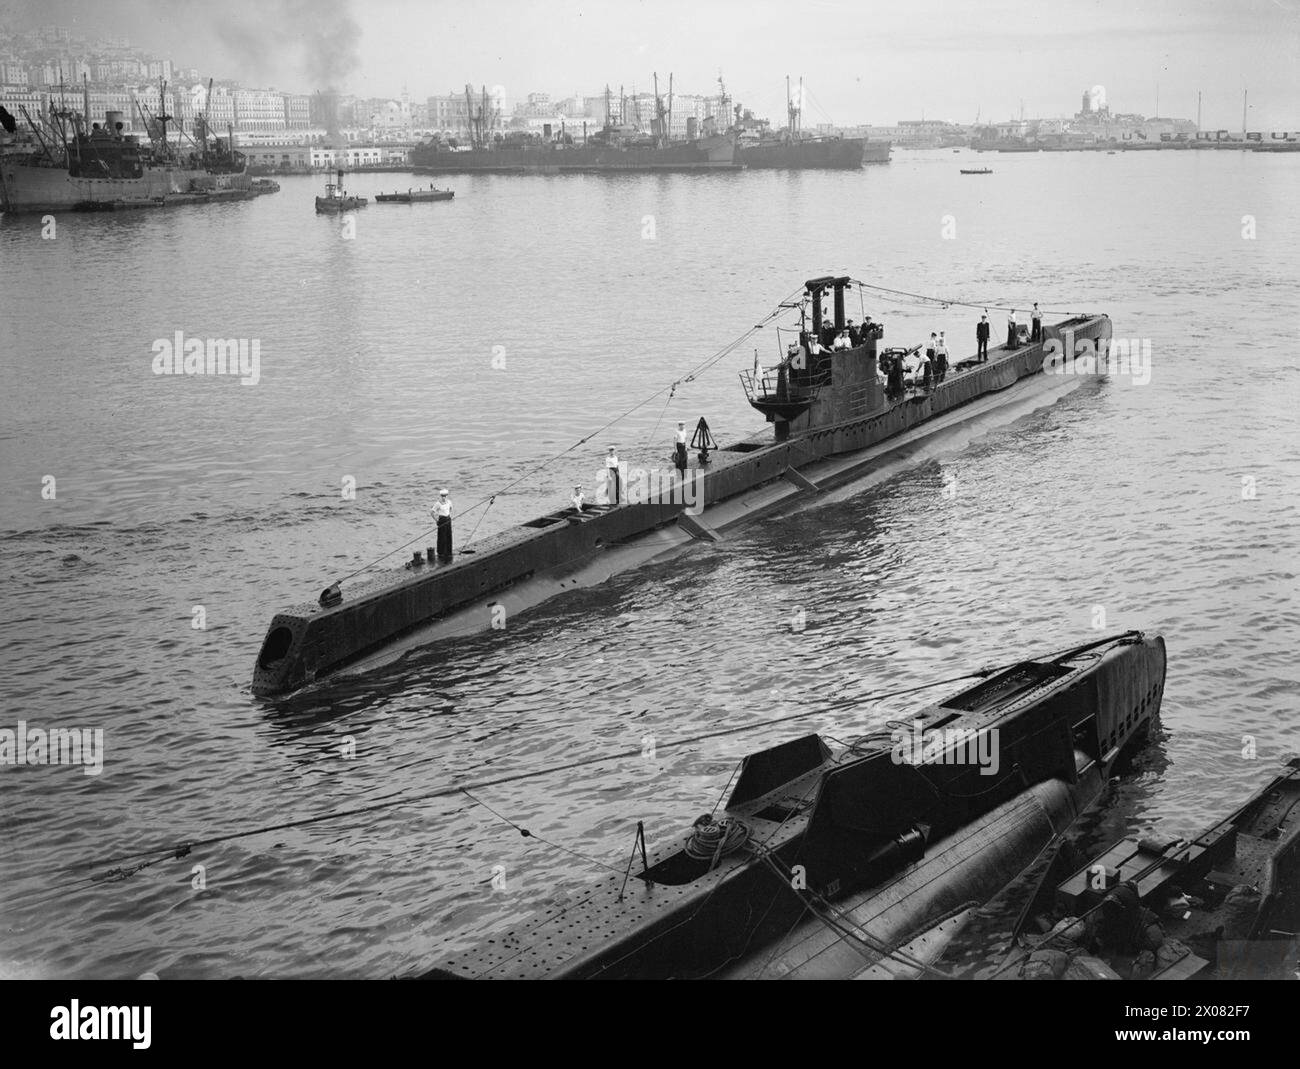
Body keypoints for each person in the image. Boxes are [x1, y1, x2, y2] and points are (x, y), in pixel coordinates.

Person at [431, 489, 453, 562]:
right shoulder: (438, 504)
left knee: (449, 535)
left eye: (445, 496)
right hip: (442, 520)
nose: (444, 497)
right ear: (441, 496)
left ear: (447, 496)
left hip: (448, 519)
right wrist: (436, 520)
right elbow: (432, 512)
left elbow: (451, 509)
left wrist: (449, 516)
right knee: (442, 537)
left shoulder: (449, 502)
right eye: (442, 496)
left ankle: (449, 551)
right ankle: (441, 552)